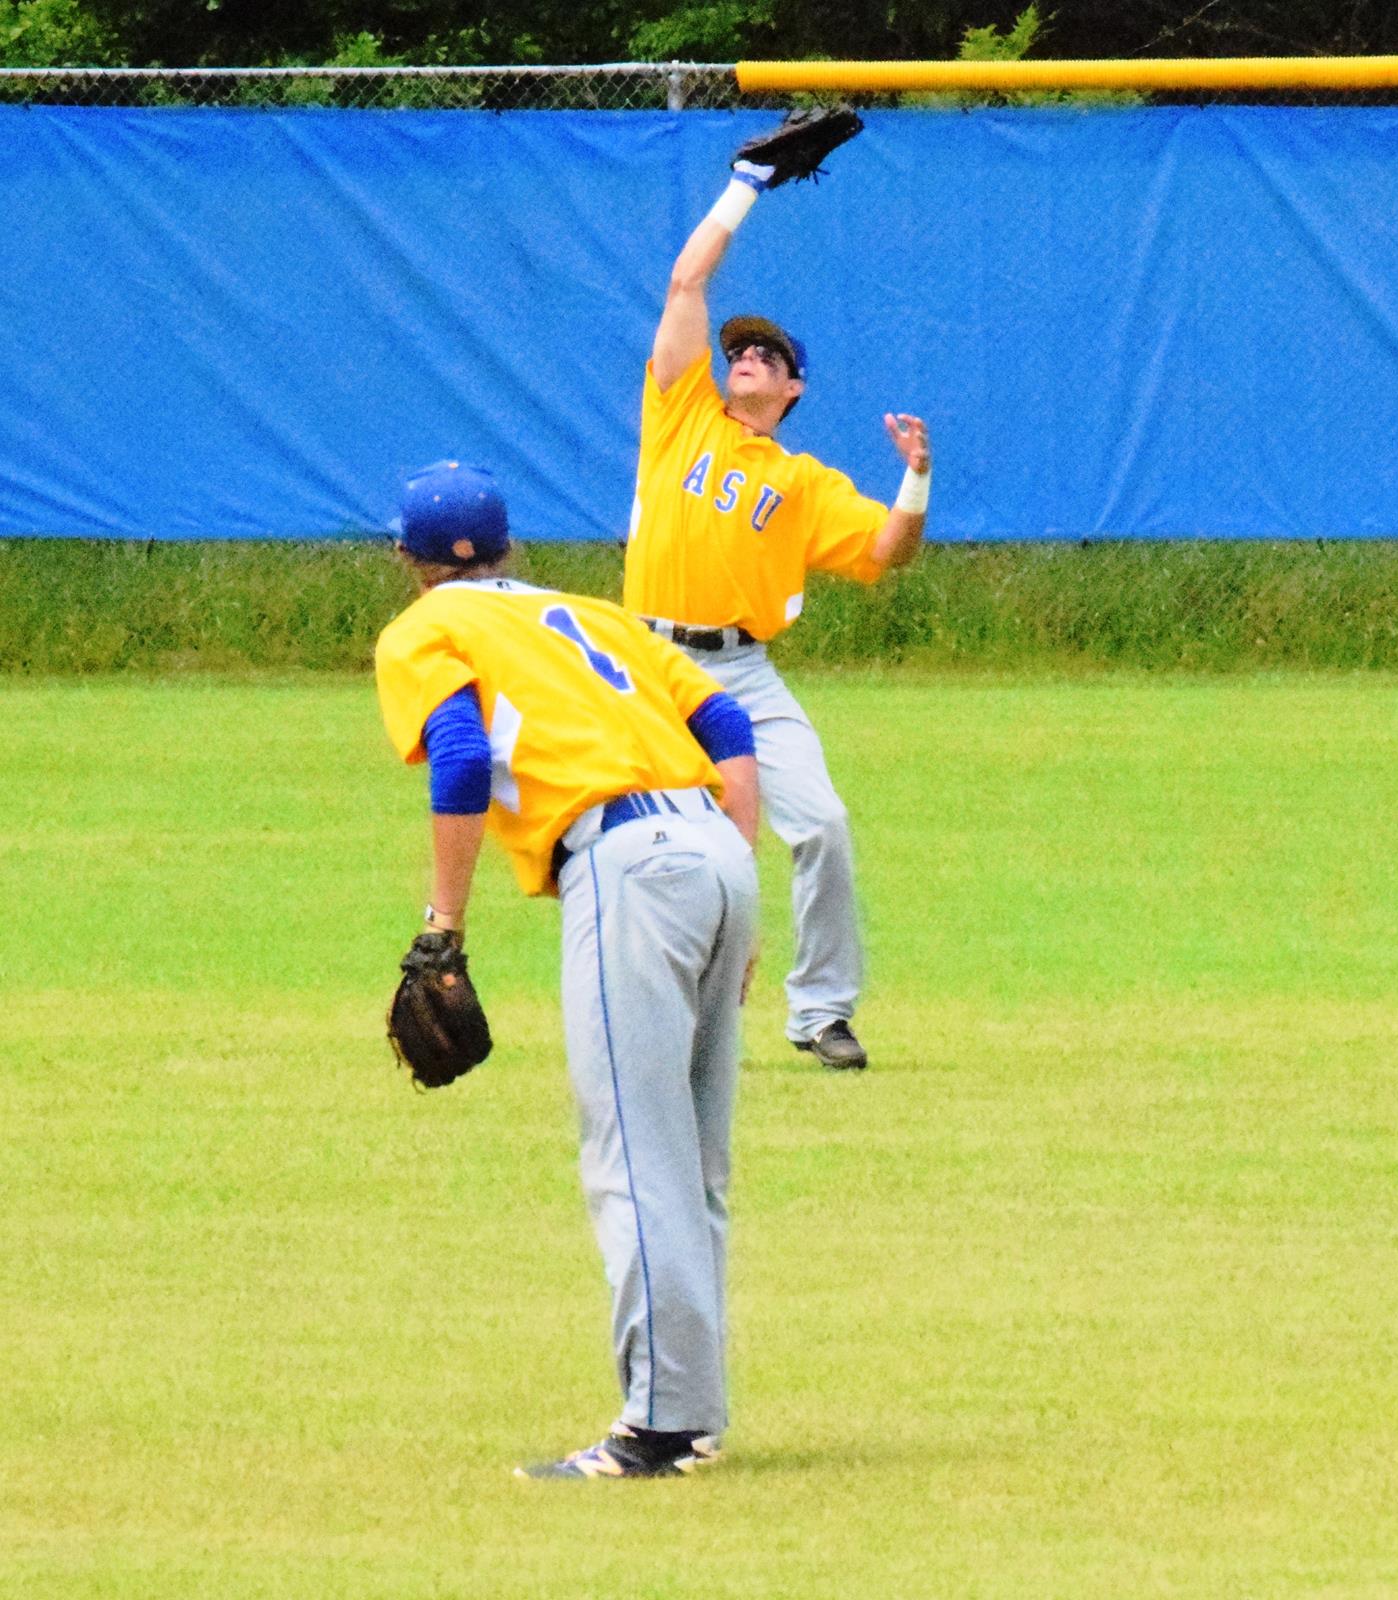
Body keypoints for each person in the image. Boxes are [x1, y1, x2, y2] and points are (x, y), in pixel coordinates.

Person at [375, 459, 761, 1480]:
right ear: (506, 547)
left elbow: (459, 759)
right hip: (717, 848)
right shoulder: (592, 612)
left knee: (632, 1152)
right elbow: (726, 725)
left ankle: (659, 1424)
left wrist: (442, 928)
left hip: (628, 867)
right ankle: (692, 1407)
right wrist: (745, 891)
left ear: (410, 561)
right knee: (693, 1157)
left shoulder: (423, 629)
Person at [623, 144, 931, 1072]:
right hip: (643, 661)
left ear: (793, 389)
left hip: (741, 673)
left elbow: (886, 551)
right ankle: (651, 1005)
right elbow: (686, 281)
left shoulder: (803, 482)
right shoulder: (682, 412)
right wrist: (745, 184)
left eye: (769, 355)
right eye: (741, 351)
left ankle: (819, 1013)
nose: (747, 357)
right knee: (633, 841)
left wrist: (916, 479)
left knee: (825, 826)